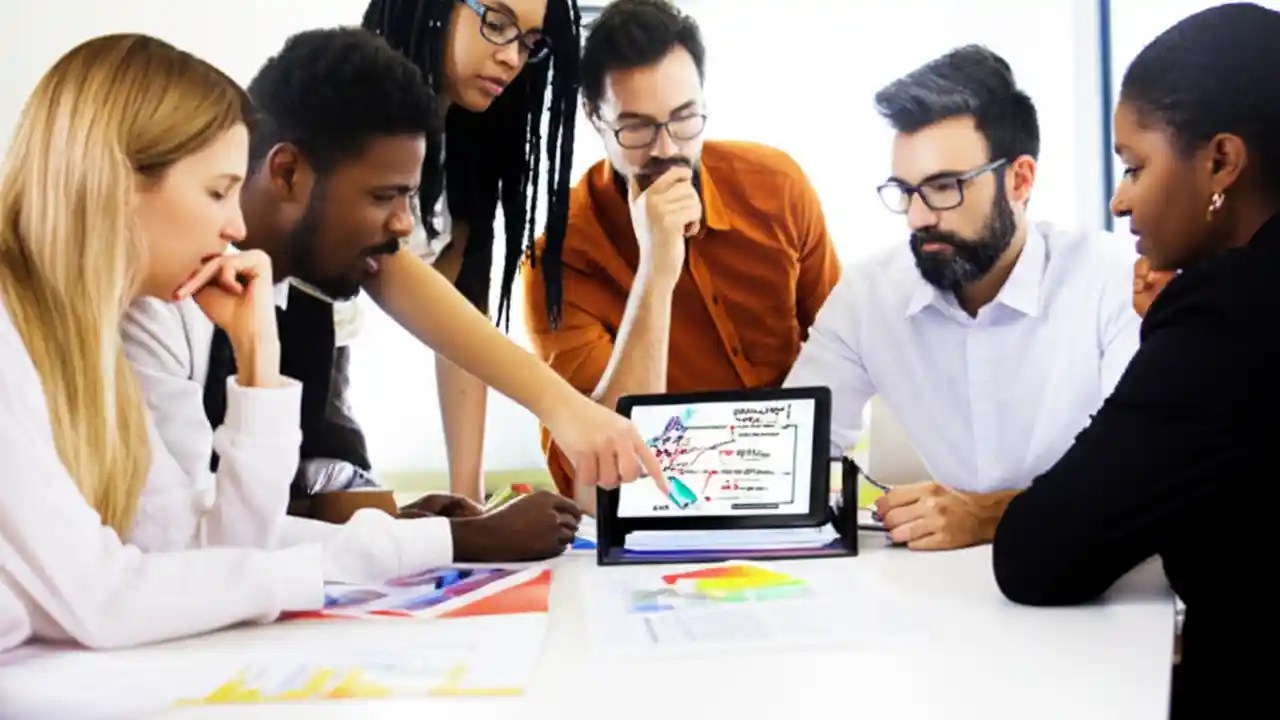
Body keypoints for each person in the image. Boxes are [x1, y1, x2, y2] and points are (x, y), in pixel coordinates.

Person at [123, 28, 657, 563]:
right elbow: (194, 546)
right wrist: (450, 542)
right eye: (385, 196)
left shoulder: (294, 281)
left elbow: (243, 528)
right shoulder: (157, 303)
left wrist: (396, 522)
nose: (404, 225)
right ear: (285, 172)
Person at [0, 32, 385, 651]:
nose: (236, 227)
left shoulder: (86, 339)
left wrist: (260, 361)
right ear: (116, 181)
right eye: (217, 191)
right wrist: (311, 576)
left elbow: (202, 555)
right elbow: (105, 601)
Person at [992, 4, 1280, 715]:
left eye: (1135, 167)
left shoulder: (1226, 317)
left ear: (1220, 161)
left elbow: (1040, 555)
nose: (1120, 201)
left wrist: (1171, 345)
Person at [783, 45, 1141, 550]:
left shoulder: (1113, 281)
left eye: (944, 187)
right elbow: (792, 458)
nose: (918, 217)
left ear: (1020, 179)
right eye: (905, 191)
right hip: (945, 592)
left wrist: (989, 516)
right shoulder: (870, 296)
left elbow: (1143, 474)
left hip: (1102, 578)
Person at [521, 0, 841, 513]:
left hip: (790, 491)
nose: (667, 149)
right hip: (656, 510)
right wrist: (656, 271)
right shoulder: (557, 263)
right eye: (637, 128)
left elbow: (842, 354)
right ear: (594, 117)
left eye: (684, 119)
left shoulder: (777, 187)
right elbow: (601, 483)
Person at [361, 0, 582, 503]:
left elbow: (459, 326)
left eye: (529, 43)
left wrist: (470, 498)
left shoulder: (463, 151)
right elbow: (387, 271)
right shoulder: (342, 122)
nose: (511, 58)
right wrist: (562, 406)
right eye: (497, 24)